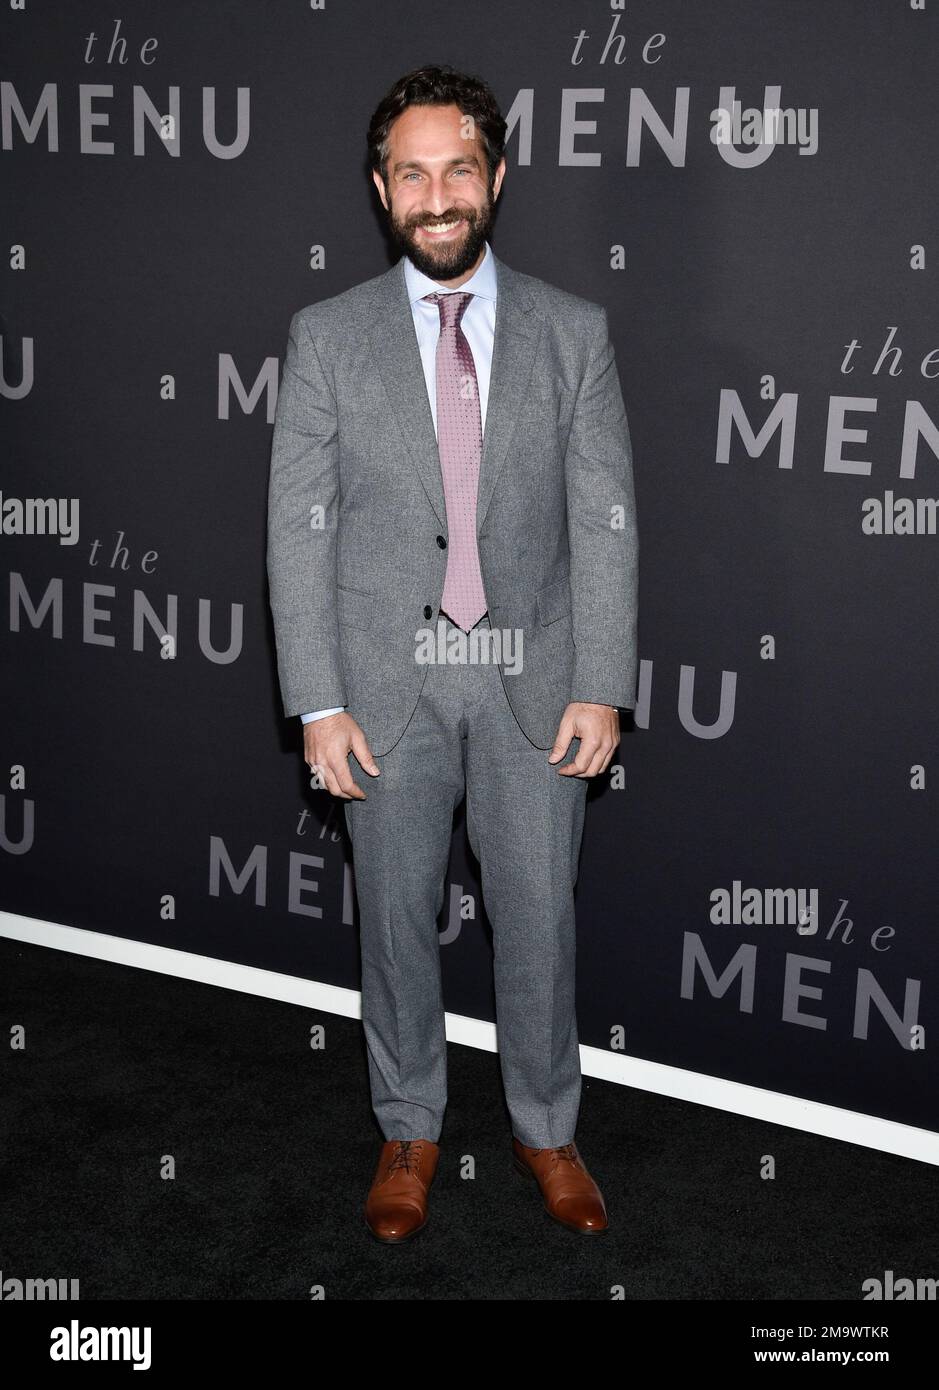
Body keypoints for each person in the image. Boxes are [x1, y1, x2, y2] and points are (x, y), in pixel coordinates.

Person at [267, 64, 639, 1242]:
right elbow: (296, 526)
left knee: (540, 920)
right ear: (383, 191)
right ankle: (409, 1124)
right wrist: (317, 701)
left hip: (536, 677)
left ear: (497, 177)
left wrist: (603, 681)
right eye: (413, 174)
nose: (438, 195)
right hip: (387, 684)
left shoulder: (575, 333)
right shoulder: (324, 337)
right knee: (393, 920)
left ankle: (545, 1127)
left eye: (459, 169)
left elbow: (607, 517)